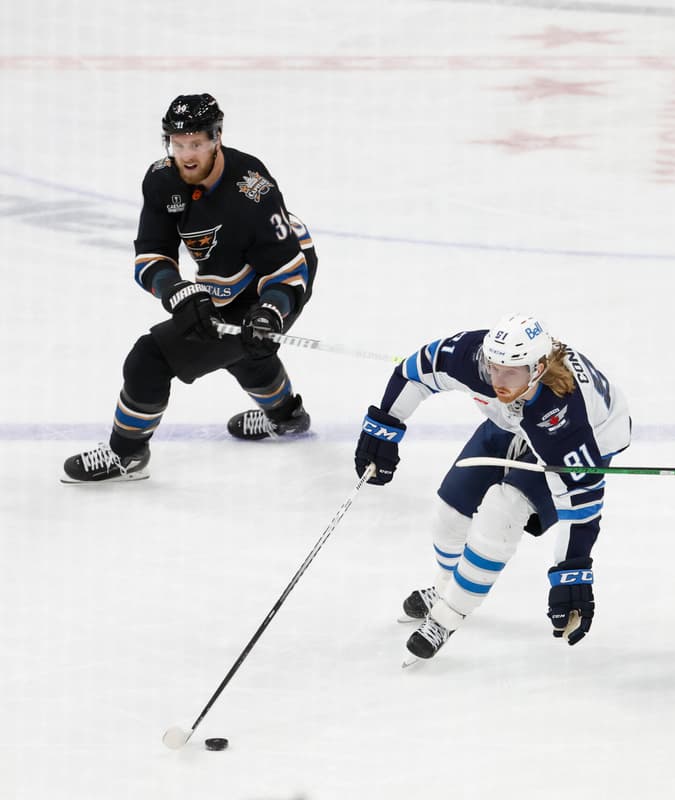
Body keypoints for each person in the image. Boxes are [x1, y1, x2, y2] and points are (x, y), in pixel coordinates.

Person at [62, 93, 318, 483]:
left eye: (196, 143)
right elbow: (151, 254)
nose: (187, 155)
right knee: (242, 348)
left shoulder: (253, 189)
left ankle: (126, 454)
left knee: (150, 359)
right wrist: (177, 291)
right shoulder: (162, 180)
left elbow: (285, 269)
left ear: (217, 138)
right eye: (178, 144)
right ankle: (287, 418)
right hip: (225, 279)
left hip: (280, 273)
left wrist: (270, 311)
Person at [354, 314, 632, 663]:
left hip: (588, 436)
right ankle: (445, 588)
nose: (496, 379)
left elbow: (581, 505)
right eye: (494, 366)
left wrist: (572, 576)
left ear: (539, 367)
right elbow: (415, 371)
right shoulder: (475, 357)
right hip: (514, 420)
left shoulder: (562, 414)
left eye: (510, 371)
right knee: (451, 511)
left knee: (502, 511)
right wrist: (384, 427)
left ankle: (447, 617)